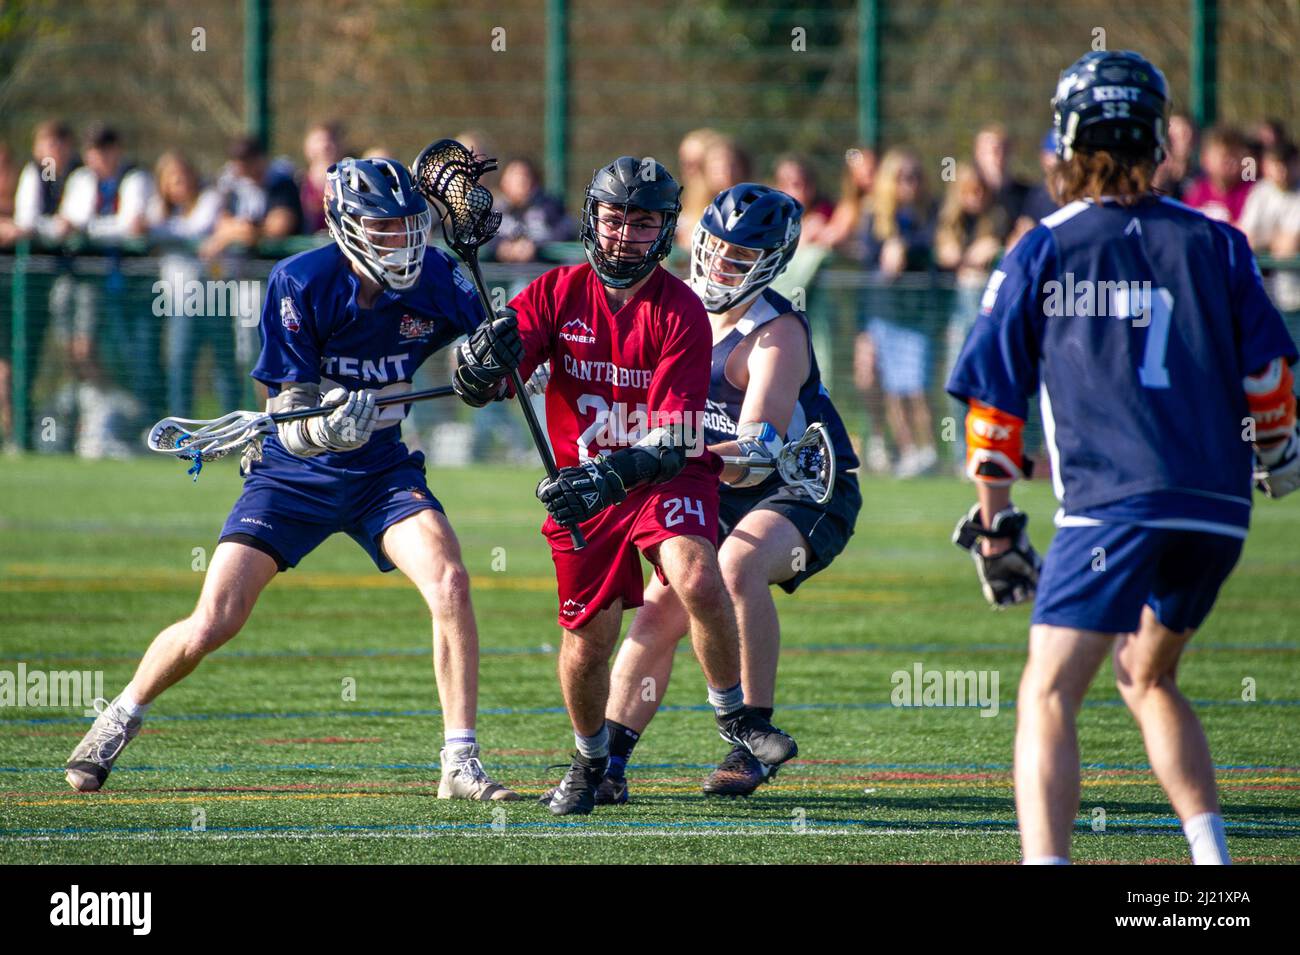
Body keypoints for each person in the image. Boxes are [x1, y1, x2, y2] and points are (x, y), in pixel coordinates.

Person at [65, 157, 521, 802]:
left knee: (449, 580)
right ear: (344, 224)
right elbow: (286, 412)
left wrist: (493, 365)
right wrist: (329, 427)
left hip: (382, 470)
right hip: (293, 472)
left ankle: (459, 760)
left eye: (409, 227)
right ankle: (119, 717)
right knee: (214, 621)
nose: (402, 242)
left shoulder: (442, 275)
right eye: (384, 228)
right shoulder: (300, 279)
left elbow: (496, 378)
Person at [947, 50, 1299, 865]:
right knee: (1146, 675)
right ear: (1155, 141)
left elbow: (995, 412)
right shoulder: (1219, 242)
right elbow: (1269, 378)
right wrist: (1276, 449)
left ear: (1068, 143)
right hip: (1216, 508)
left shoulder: (1045, 247)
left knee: (1047, 690)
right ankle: (1211, 866)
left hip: (1113, 505)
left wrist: (996, 530)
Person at [508, 156, 799, 815]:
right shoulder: (553, 293)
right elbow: (495, 379)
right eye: (615, 219)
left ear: (664, 233)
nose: (624, 236)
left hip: (658, 477)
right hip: (581, 495)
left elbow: (672, 439)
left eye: (643, 224)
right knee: (589, 645)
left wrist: (606, 477)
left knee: (697, 576)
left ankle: (737, 717)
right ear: (592, 219)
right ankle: (590, 760)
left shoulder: (682, 312)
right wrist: (480, 361)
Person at [589, 184, 861, 802]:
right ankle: (607, 758)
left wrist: (678, 456)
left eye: (738, 257)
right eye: (712, 248)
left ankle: (751, 737)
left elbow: (760, 451)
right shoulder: (676, 306)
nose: (717, 266)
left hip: (802, 484)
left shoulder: (776, 334)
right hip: (716, 478)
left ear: (769, 263)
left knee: (736, 567)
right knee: (663, 605)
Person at [853, 147, 939, 478]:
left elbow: (933, 246)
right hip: (884, 313)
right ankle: (907, 450)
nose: (909, 184)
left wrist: (908, 249)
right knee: (892, 387)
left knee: (916, 384)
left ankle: (928, 447)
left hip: (917, 315)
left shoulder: (929, 213)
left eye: (915, 177)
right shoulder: (875, 216)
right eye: (902, 177)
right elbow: (870, 259)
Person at [147, 150, 234, 419]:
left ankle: (232, 426)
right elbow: (144, 226)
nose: (179, 185)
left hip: (213, 295)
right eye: (172, 180)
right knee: (180, 363)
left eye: (183, 178)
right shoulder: (159, 209)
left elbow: (199, 227)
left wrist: (164, 232)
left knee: (224, 364)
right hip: (177, 300)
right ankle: (179, 430)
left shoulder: (209, 201)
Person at [489, 157, 573, 263]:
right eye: (515, 175)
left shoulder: (550, 206)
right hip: (498, 275)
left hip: (539, 272)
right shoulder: (493, 210)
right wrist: (500, 246)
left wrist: (536, 246)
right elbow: (478, 235)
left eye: (525, 175)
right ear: (503, 181)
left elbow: (567, 230)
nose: (521, 180)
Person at [1182, 126, 1254, 225]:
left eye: (1236, 156)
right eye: (1224, 156)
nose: (1231, 162)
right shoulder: (1196, 193)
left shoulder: (1252, 194)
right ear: (1206, 159)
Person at [299, 121, 345, 234]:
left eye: (330, 140)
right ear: (307, 147)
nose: (325, 145)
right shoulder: (298, 183)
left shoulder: (349, 183)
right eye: (319, 140)